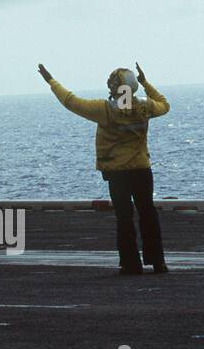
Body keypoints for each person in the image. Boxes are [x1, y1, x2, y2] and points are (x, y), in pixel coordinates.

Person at [38, 62, 170, 275]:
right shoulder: (146, 106)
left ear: (116, 88)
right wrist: (145, 82)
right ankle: (158, 262)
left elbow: (71, 102)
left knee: (124, 216)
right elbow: (165, 104)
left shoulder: (105, 109)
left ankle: (130, 264)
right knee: (148, 213)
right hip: (141, 169)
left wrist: (51, 81)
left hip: (118, 172)